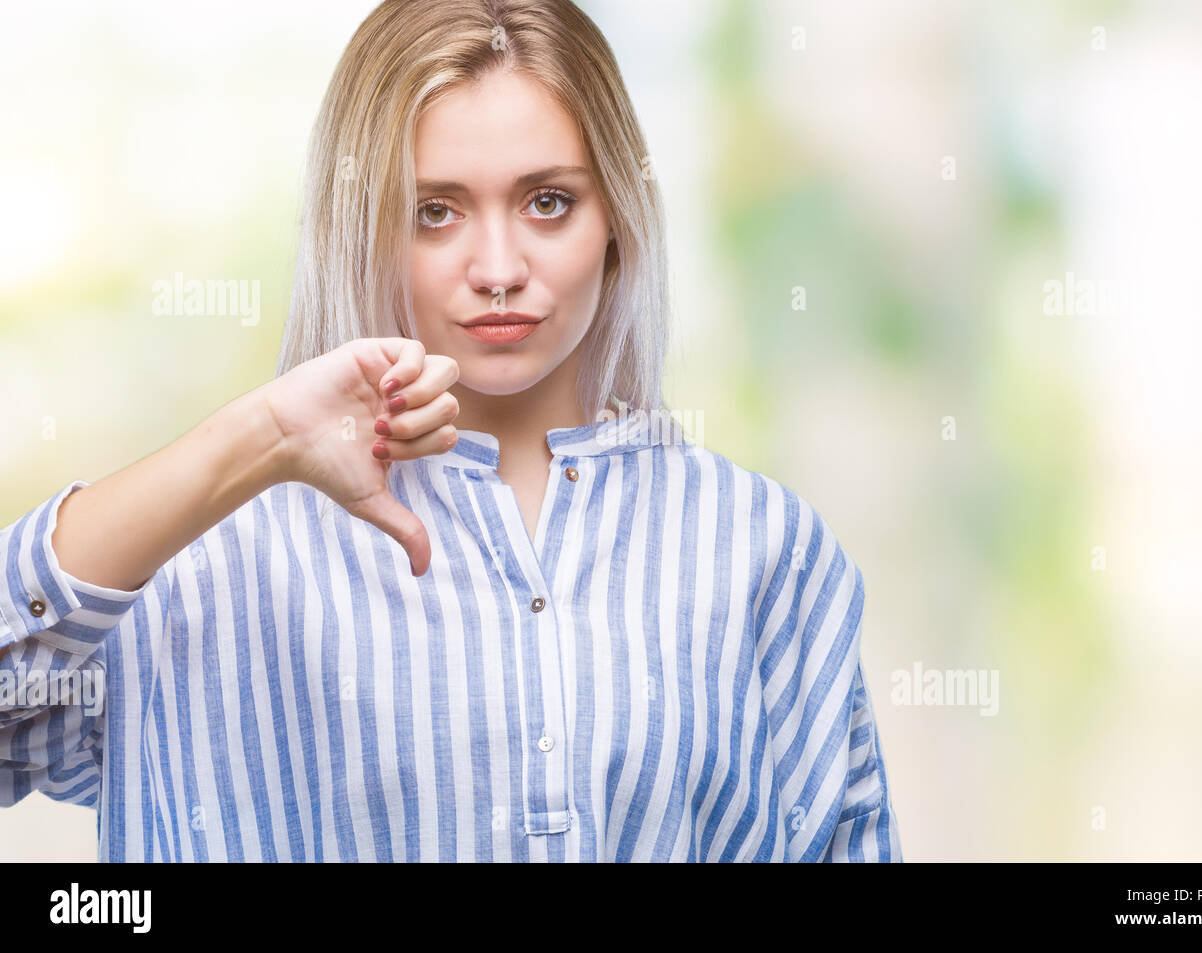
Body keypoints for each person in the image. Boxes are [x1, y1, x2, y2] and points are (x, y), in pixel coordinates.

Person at [0, 0, 901, 862]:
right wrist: (260, 435)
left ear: (618, 221)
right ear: (363, 225)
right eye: (435, 210)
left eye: (548, 201)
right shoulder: (206, 554)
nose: (500, 270)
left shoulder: (761, 548)